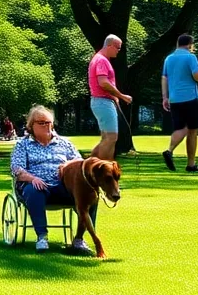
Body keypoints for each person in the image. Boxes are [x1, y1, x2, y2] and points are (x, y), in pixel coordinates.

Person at [9, 104, 94, 254]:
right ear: (31, 125)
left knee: (91, 195)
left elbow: (79, 164)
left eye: (48, 122)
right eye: (41, 123)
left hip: (64, 186)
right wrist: (32, 178)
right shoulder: (23, 145)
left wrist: (69, 165)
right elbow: (17, 169)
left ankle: (79, 239)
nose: (46, 126)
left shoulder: (65, 143)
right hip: (36, 185)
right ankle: (42, 236)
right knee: (34, 190)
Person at [161, 34, 198, 173]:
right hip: (190, 97)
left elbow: (164, 78)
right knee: (192, 130)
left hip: (174, 99)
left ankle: (187, 162)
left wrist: (165, 97)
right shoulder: (190, 57)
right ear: (190, 44)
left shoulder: (169, 58)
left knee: (180, 128)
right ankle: (179, 157)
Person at [88, 34, 132, 160]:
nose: (119, 51)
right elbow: (103, 82)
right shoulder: (102, 60)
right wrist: (121, 96)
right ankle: (104, 169)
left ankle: (88, 167)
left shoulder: (97, 58)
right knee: (111, 138)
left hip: (100, 102)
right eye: (117, 48)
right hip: (103, 102)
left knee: (106, 138)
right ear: (109, 45)